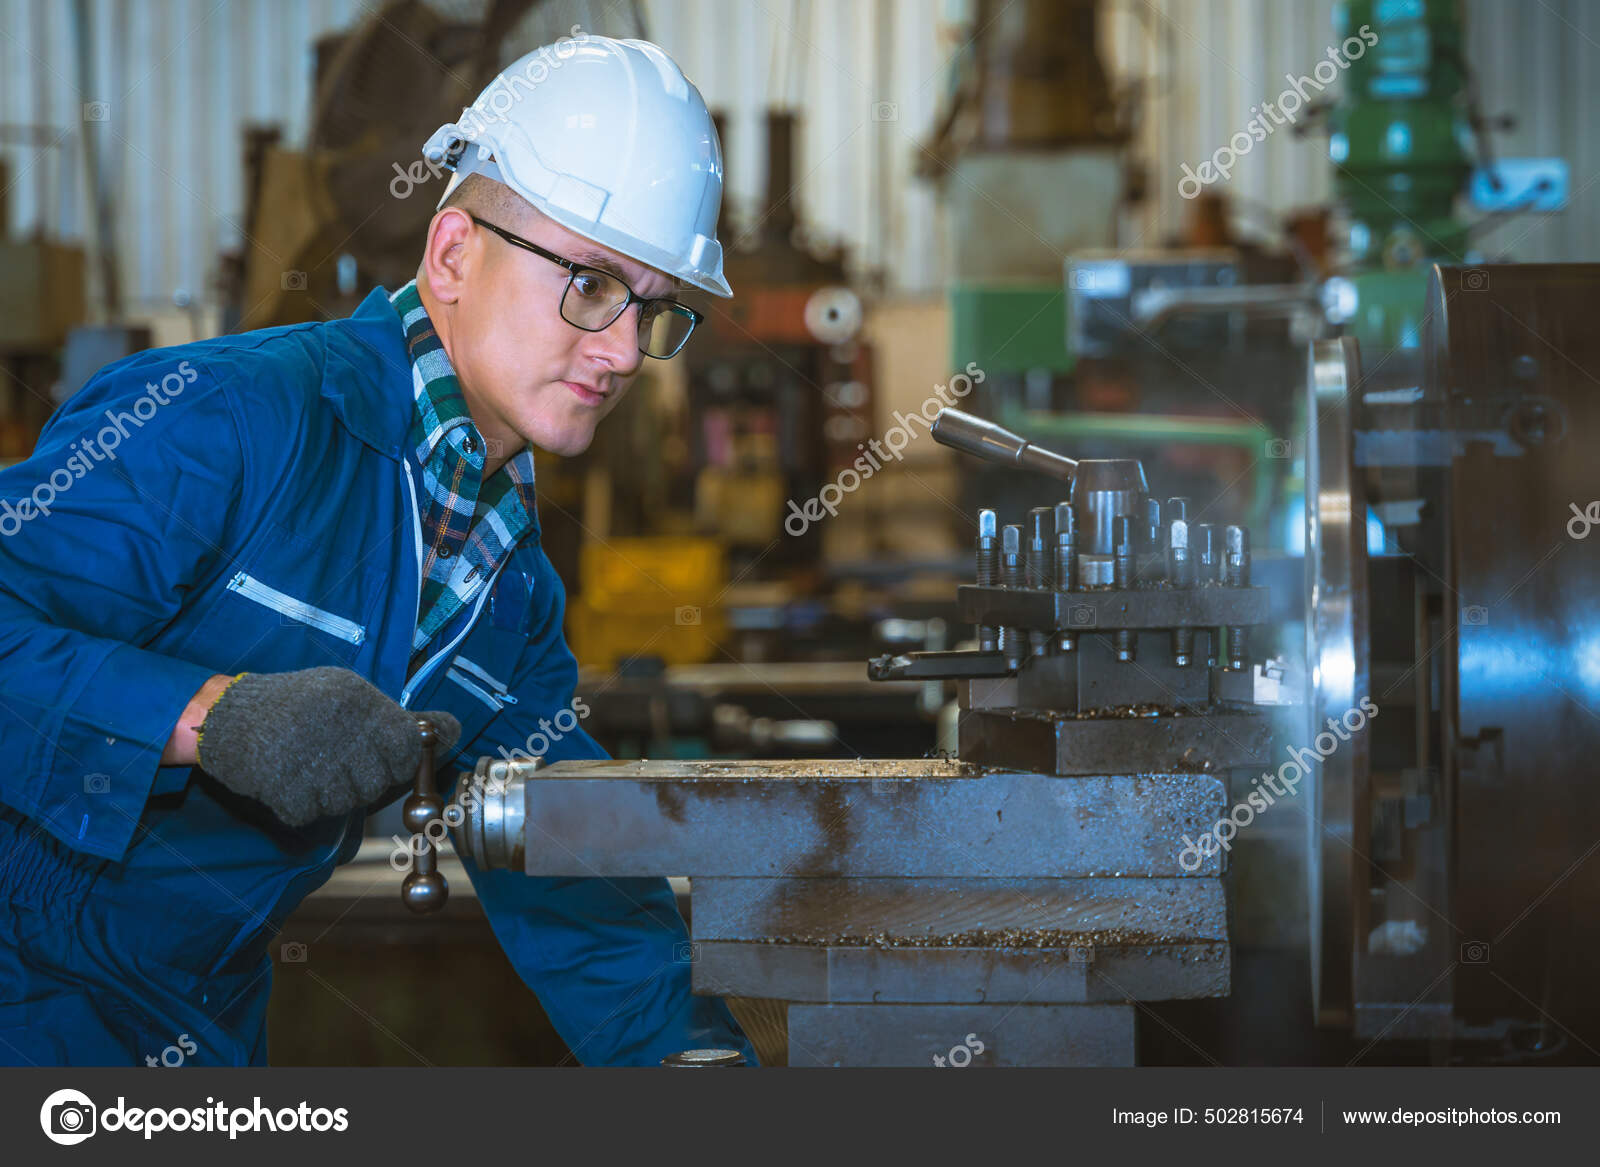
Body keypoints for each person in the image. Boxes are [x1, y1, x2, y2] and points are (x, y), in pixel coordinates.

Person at [0, 35, 753, 1067]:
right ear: (451, 254)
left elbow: (581, 887)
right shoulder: (235, 421)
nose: (624, 349)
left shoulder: (508, 589)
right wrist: (206, 719)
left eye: (657, 308)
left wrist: (699, 1073)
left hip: (191, 1024)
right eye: (588, 284)